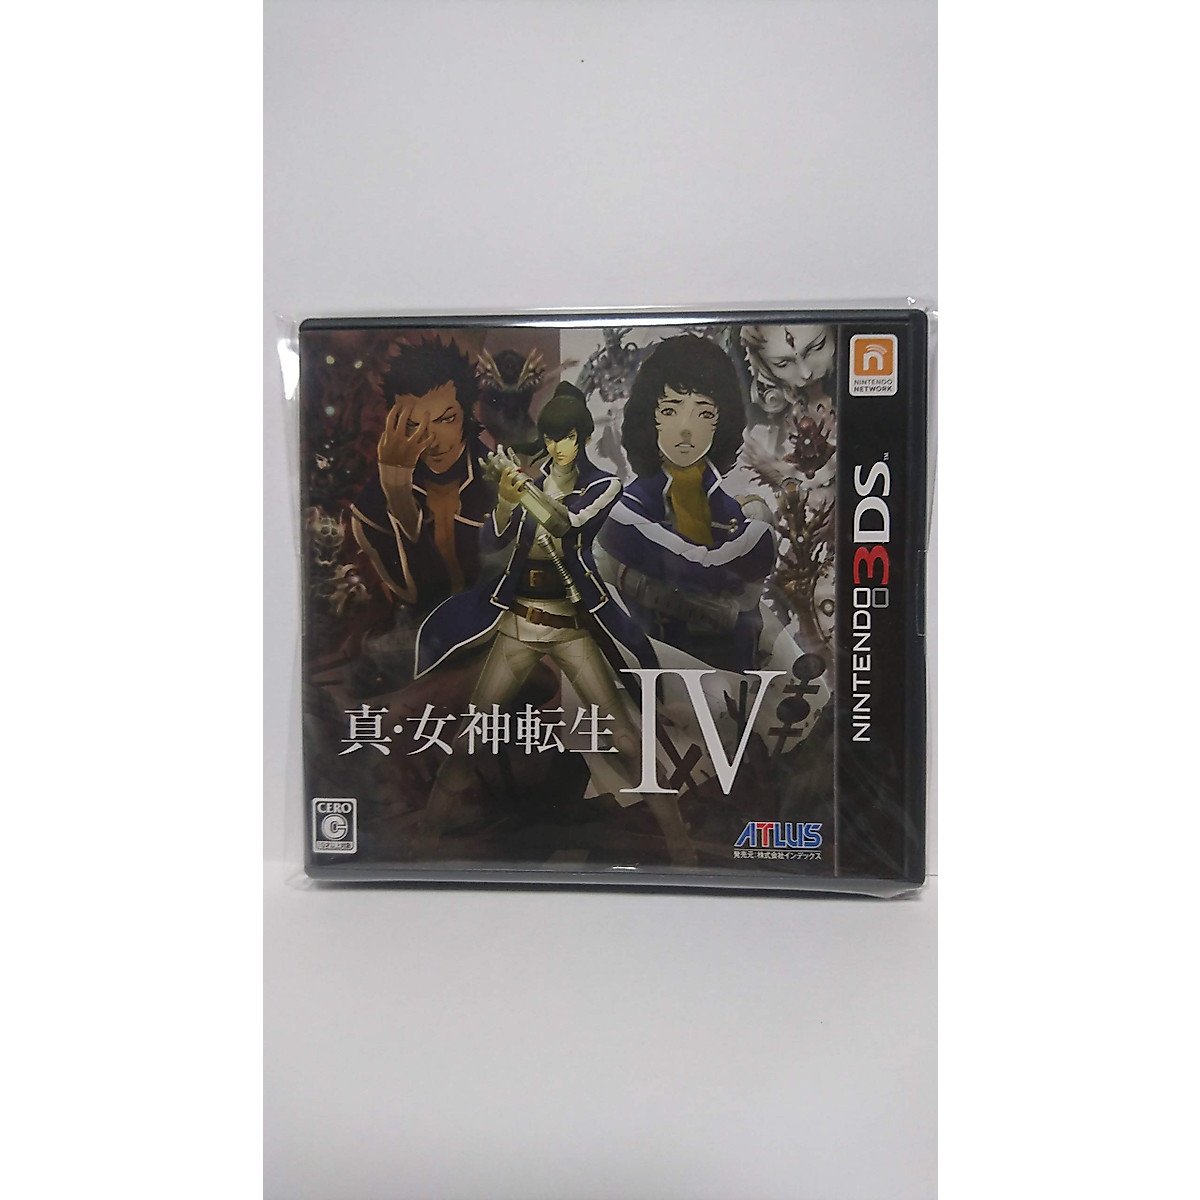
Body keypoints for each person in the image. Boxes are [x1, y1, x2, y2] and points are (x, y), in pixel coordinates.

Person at [414, 383, 695, 862]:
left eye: (565, 437)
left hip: (570, 628)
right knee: (470, 737)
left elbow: (567, 525)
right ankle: (420, 845)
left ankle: (683, 849)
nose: (556, 447)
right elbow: (491, 542)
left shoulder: (603, 485)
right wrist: (505, 500)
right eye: (549, 438)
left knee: (625, 741)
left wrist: (522, 490)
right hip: (518, 624)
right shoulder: (533, 479)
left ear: (580, 438)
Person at [597, 334, 776, 671]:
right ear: (649, 417)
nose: (685, 429)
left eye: (703, 413)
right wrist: (758, 534)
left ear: (721, 422)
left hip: (739, 680)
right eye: (670, 410)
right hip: (659, 678)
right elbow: (700, 569)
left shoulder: (730, 509)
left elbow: (747, 601)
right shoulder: (625, 511)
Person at [349, 336, 492, 619]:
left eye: (446, 419)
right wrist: (397, 493)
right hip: (421, 630)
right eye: (414, 425)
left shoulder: (496, 479)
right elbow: (419, 596)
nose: (432, 441)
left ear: (467, 413)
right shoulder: (370, 510)